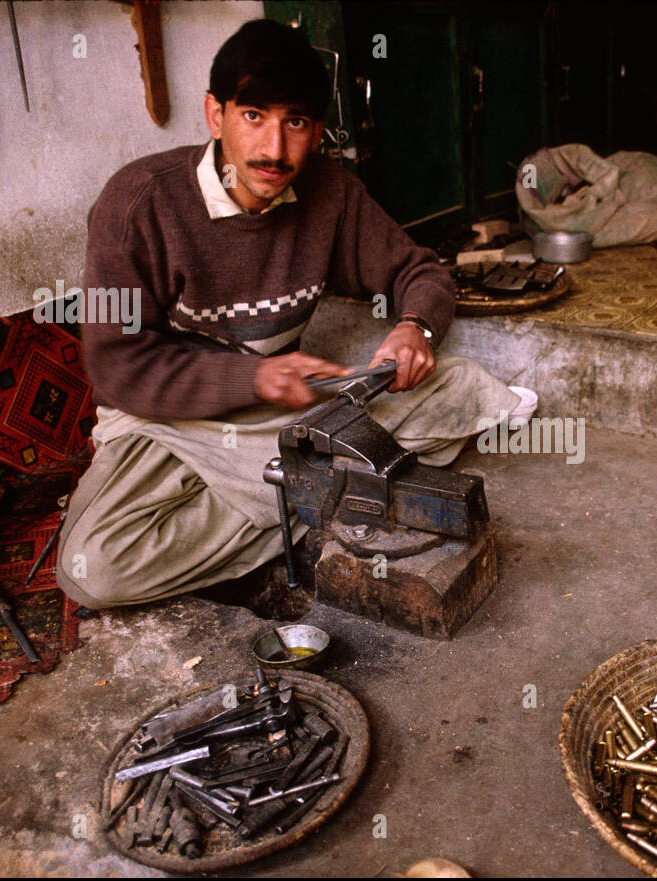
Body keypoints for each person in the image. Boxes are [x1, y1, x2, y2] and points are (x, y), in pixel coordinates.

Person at [57, 19, 527, 610]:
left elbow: (421, 271)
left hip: (287, 413)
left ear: (316, 129)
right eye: (253, 116)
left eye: (296, 122)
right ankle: (309, 500)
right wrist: (254, 378)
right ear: (214, 114)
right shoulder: (137, 203)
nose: (275, 150)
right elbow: (117, 368)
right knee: (93, 570)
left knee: (459, 385)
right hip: (171, 419)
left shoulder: (332, 192)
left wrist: (415, 328)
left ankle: (292, 494)